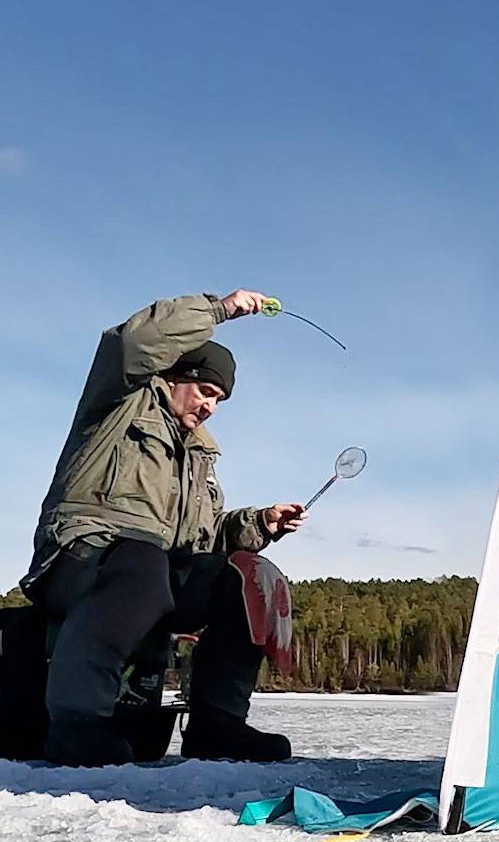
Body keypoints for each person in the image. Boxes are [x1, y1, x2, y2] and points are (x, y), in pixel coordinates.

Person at [23, 290, 305, 766]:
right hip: (79, 560)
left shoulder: (198, 458)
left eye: (220, 399)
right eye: (205, 391)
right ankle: (79, 724)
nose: (212, 407)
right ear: (173, 377)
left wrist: (258, 524)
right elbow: (129, 345)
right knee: (141, 557)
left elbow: (203, 540)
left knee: (249, 576)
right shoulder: (119, 403)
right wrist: (219, 309)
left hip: (150, 578)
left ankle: (217, 726)